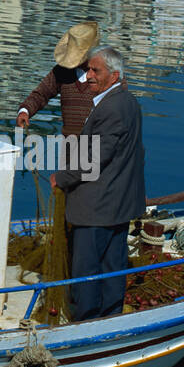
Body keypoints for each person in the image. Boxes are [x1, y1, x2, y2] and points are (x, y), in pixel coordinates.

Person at [53, 46, 146, 322]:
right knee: (112, 265)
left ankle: (86, 321)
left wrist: (63, 177)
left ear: (114, 75)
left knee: (86, 269)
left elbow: (95, 157)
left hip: (97, 206)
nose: (88, 75)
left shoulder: (111, 108)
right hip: (118, 204)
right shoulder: (128, 102)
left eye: (96, 71)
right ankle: (110, 317)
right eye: (87, 70)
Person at [16, 21, 100, 137]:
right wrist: (25, 111)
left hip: (99, 146)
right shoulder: (62, 71)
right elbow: (41, 94)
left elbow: (118, 108)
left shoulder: (108, 73)